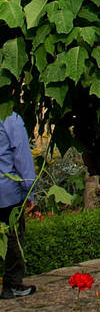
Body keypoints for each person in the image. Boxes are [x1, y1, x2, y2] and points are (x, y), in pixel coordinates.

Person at [0, 105, 36, 299]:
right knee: (13, 238)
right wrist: (30, 191)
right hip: (7, 191)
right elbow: (22, 158)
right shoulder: (11, 119)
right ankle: (12, 284)